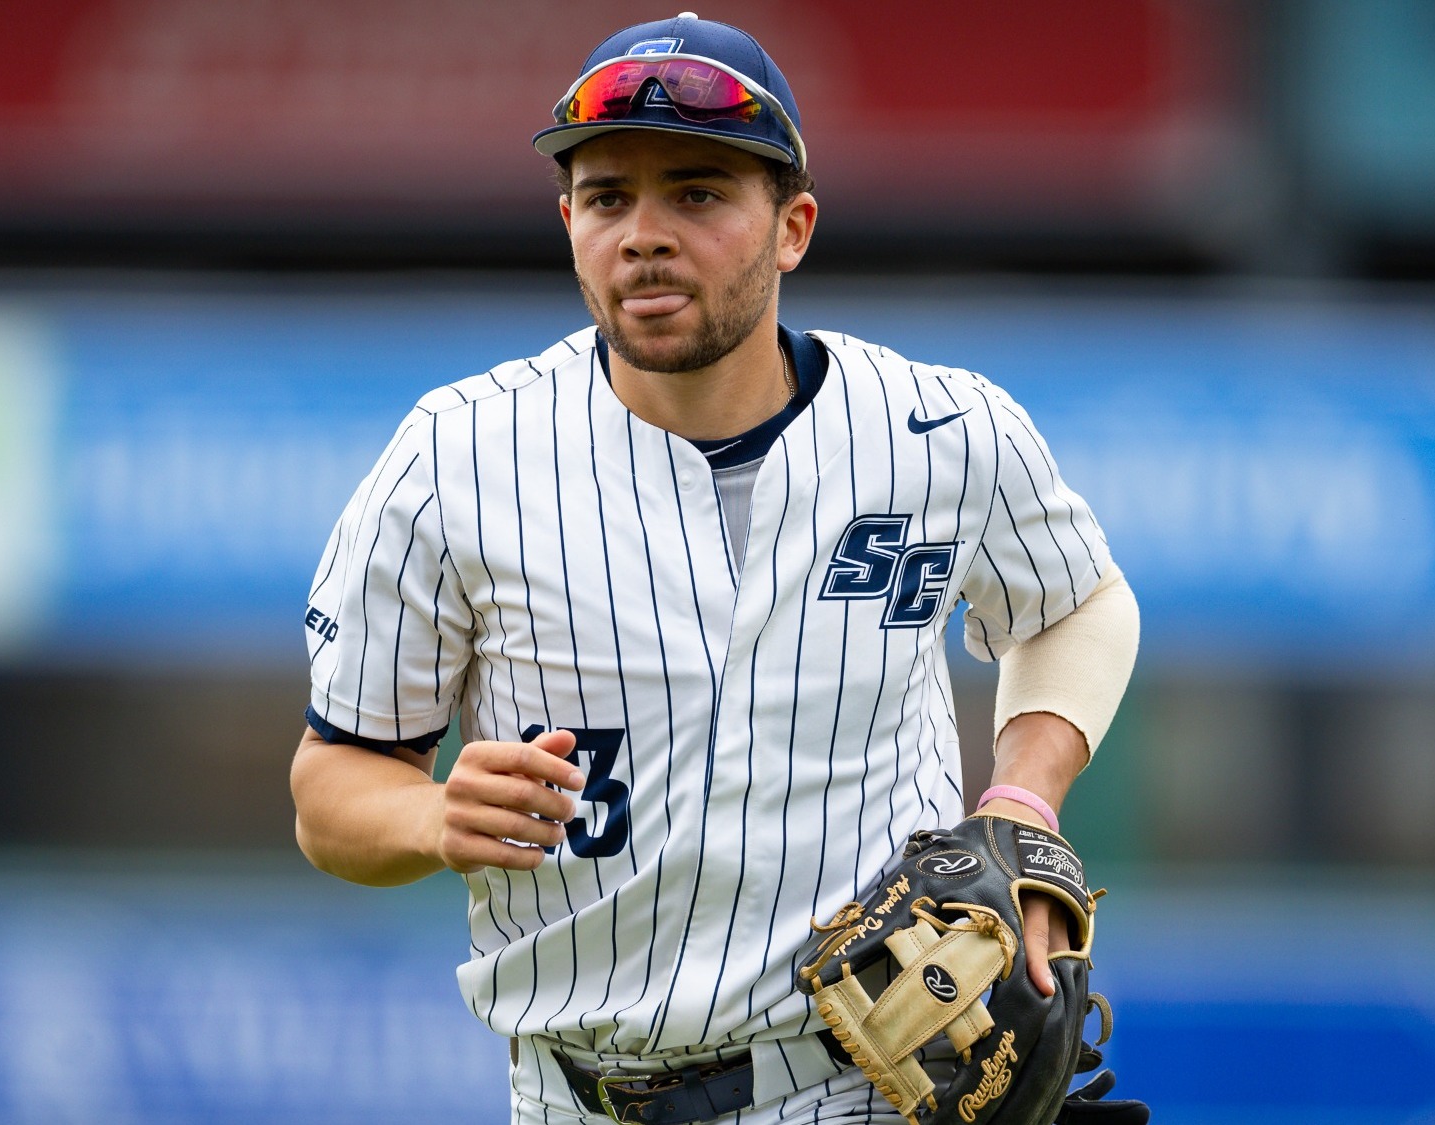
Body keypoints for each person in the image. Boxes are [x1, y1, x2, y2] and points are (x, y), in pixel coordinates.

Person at [290, 13, 1140, 1124]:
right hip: (575, 1094)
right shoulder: (454, 457)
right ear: (567, 222)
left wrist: (1023, 799)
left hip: (870, 1084)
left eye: (696, 194)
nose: (643, 234)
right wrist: (430, 816)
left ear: (791, 228)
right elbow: (331, 789)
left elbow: (1076, 604)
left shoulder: (940, 430)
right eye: (605, 198)